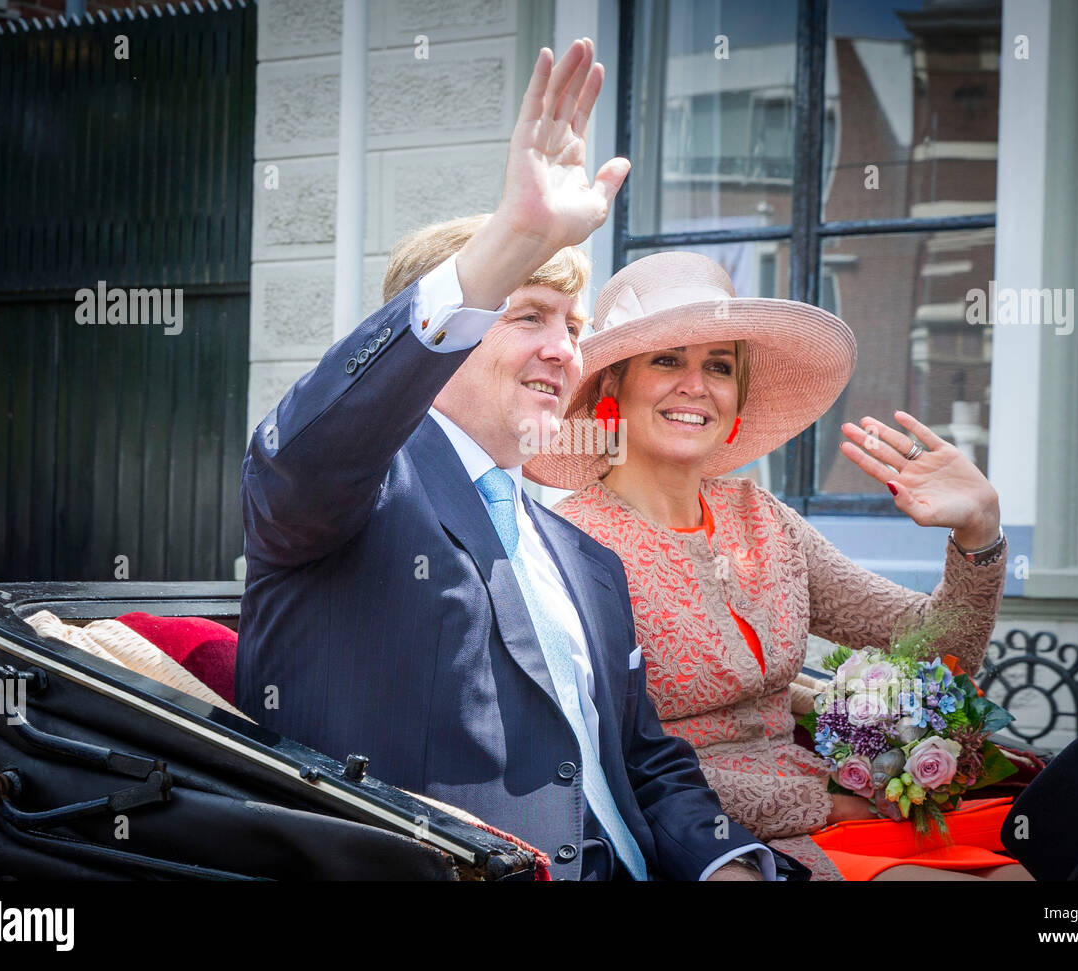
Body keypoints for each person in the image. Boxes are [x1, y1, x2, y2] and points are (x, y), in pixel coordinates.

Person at [237, 40, 781, 881]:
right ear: (446, 335)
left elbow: (647, 761)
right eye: (529, 315)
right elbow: (308, 447)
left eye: (573, 328)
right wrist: (512, 238)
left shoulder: (587, 558)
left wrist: (732, 866)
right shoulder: (357, 489)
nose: (564, 351)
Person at [530, 251, 1030, 880]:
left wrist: (977, 534)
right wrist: (821, 801)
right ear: (612, 388)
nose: (696, 385)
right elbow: (619, 761)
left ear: (736, 397)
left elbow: (931, 646)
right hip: (716, 850)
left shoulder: (761, 516)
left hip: (842, 812)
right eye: (667, 361)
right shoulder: (570, 542)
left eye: (718, 366)